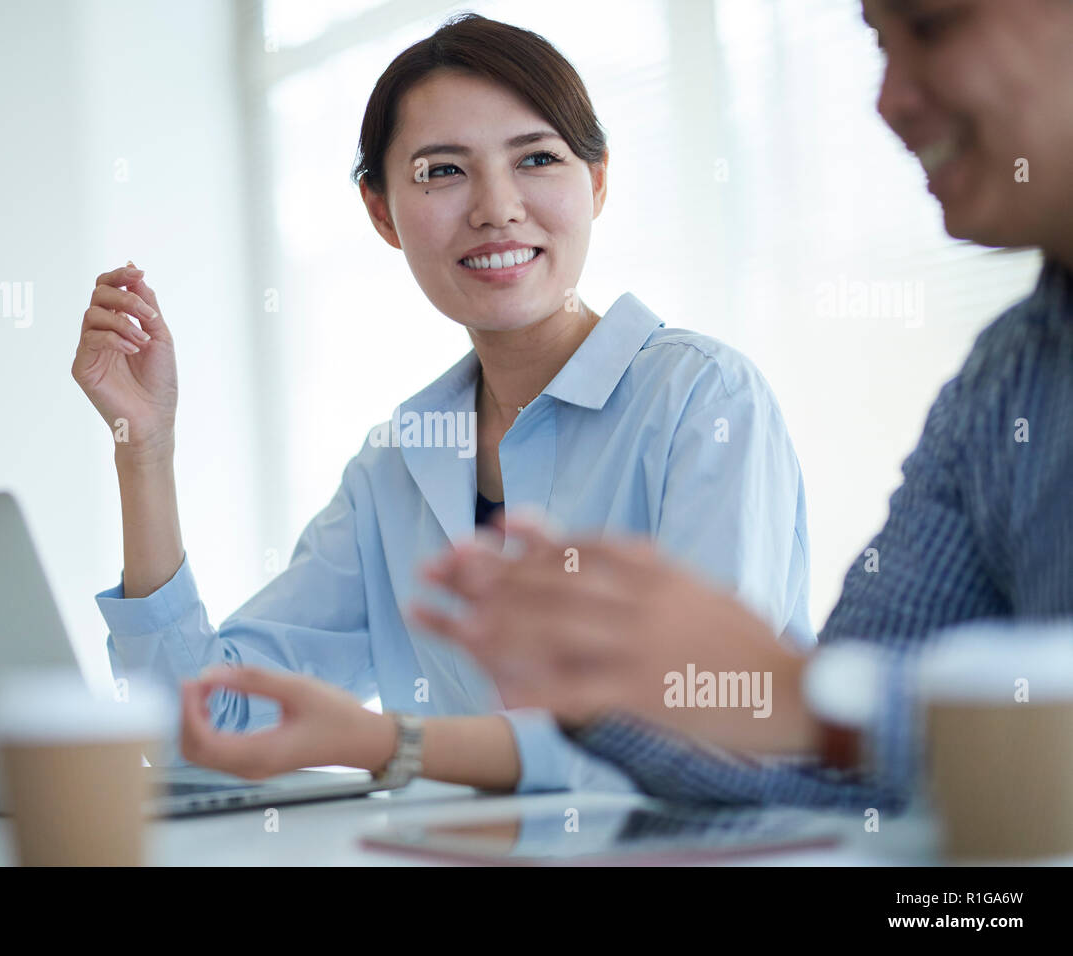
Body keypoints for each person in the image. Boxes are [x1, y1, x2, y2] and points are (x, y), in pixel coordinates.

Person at [71, 13, 811, 794]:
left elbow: (708, 730)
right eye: (442, 171)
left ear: (596, 182)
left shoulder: (703, 400)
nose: (496, 207)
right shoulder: (395, 467)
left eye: (536, 158)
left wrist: (397, 743)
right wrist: (143, 448)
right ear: (382, 211)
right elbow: (205, 733)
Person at [413, 0, 1073, 810]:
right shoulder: (1008, 379)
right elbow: (825, 766)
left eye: (933, 26)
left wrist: (809, 701)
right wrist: (600, 694)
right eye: (877, 44)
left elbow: (829, 712)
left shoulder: (701, 389)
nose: (888, 98)